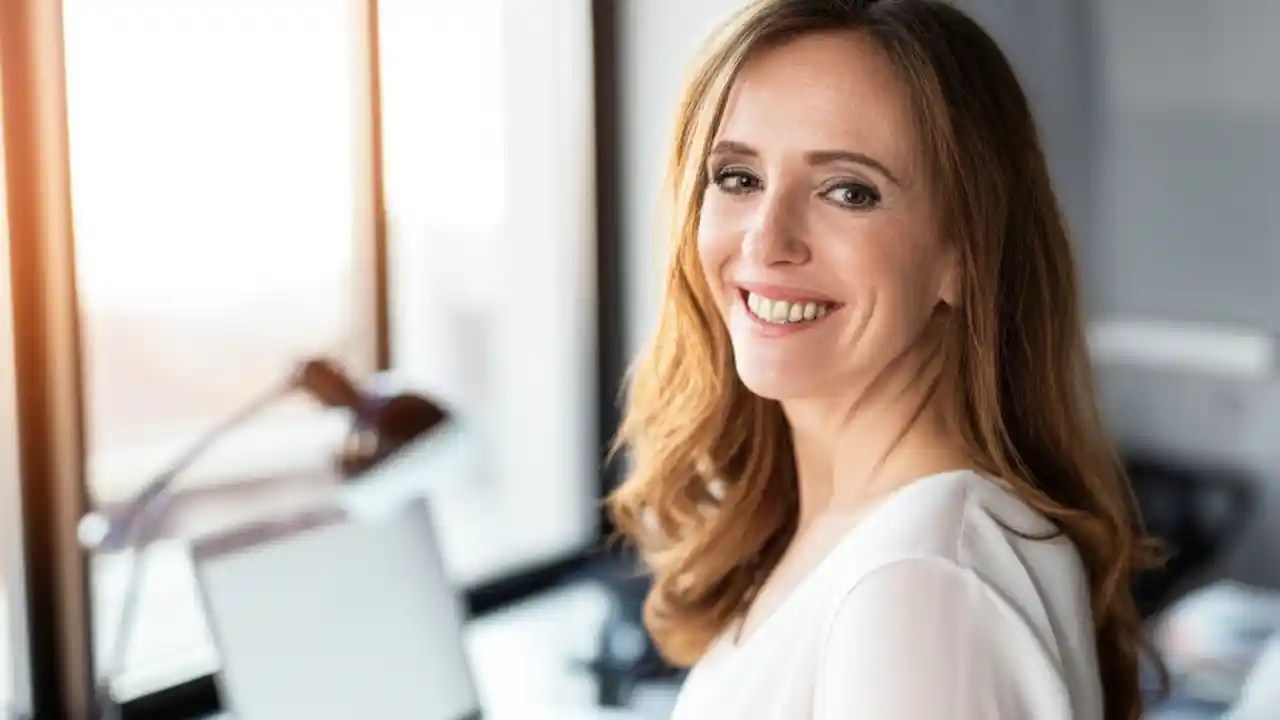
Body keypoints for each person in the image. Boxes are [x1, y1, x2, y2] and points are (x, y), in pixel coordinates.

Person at [606, 1, 1162, 718]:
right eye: (739, 178)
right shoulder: (860, 539)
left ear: (964, 254)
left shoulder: (919, 585)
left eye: (849, 191)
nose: (766, 241)